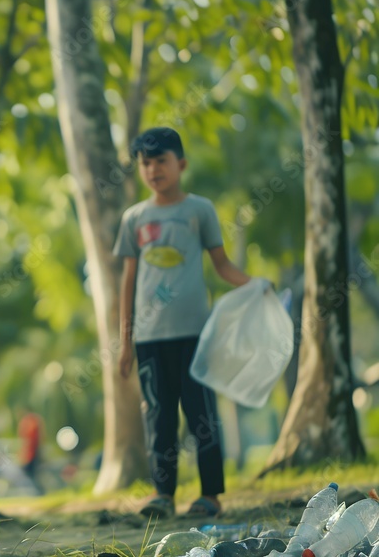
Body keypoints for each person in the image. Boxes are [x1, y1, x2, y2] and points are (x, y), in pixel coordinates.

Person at [114, 127, 252, 519]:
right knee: (158, 416)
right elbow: (128, 281)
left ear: (181, 164)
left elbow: (222, 266)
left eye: (161, 161)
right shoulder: (134, 218)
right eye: (146, 163)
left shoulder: (199, 210)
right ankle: (163, 494)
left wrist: (256, 284)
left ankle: (211, 495)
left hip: (195, 335)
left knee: (201, 416)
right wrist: (125, 342)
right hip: (150, 340)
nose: (153, 169)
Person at [17, 410, 44, 491]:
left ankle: (36, 490)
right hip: (31, 453)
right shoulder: (32, 421)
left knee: (31, 474)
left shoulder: (29, 422)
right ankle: (35, 490)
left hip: (31, 454)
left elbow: (29, 440)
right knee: (31, 474)